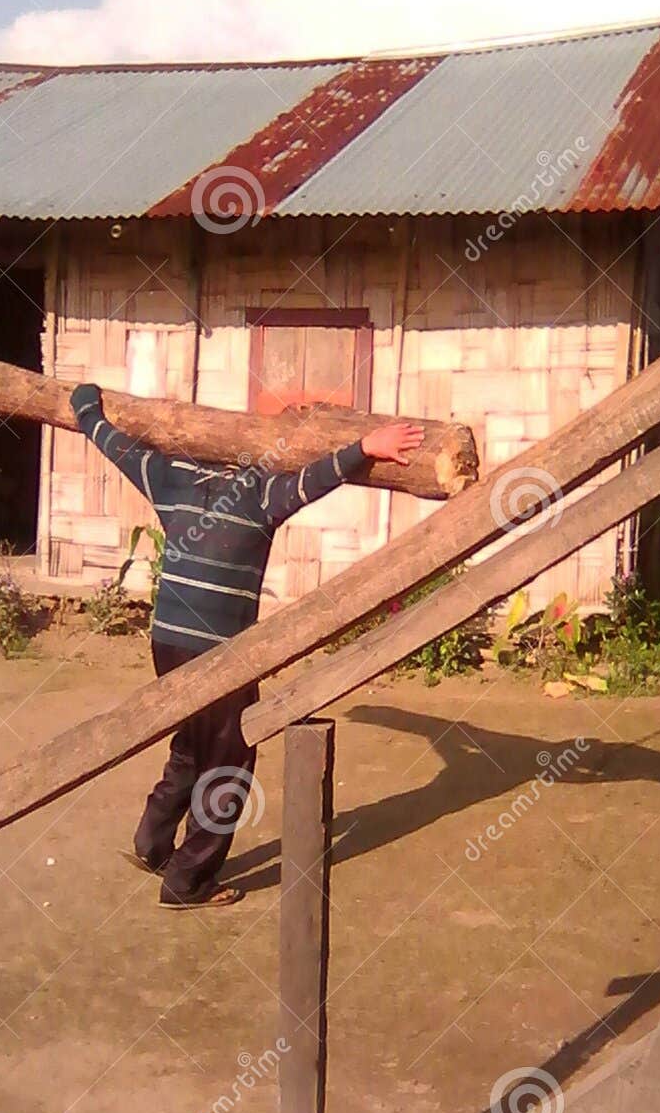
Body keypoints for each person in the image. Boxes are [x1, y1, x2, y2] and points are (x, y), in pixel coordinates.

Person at [70, 382, 423, 909]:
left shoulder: (172, 477)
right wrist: (365, 447)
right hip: (218, 653)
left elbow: (113, 443)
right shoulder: (263, 492)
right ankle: (186, 882)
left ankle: (151, 844)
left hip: (167, 642)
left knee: (191, 742)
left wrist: (83, 406)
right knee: (229, 761)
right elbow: (317, 478)